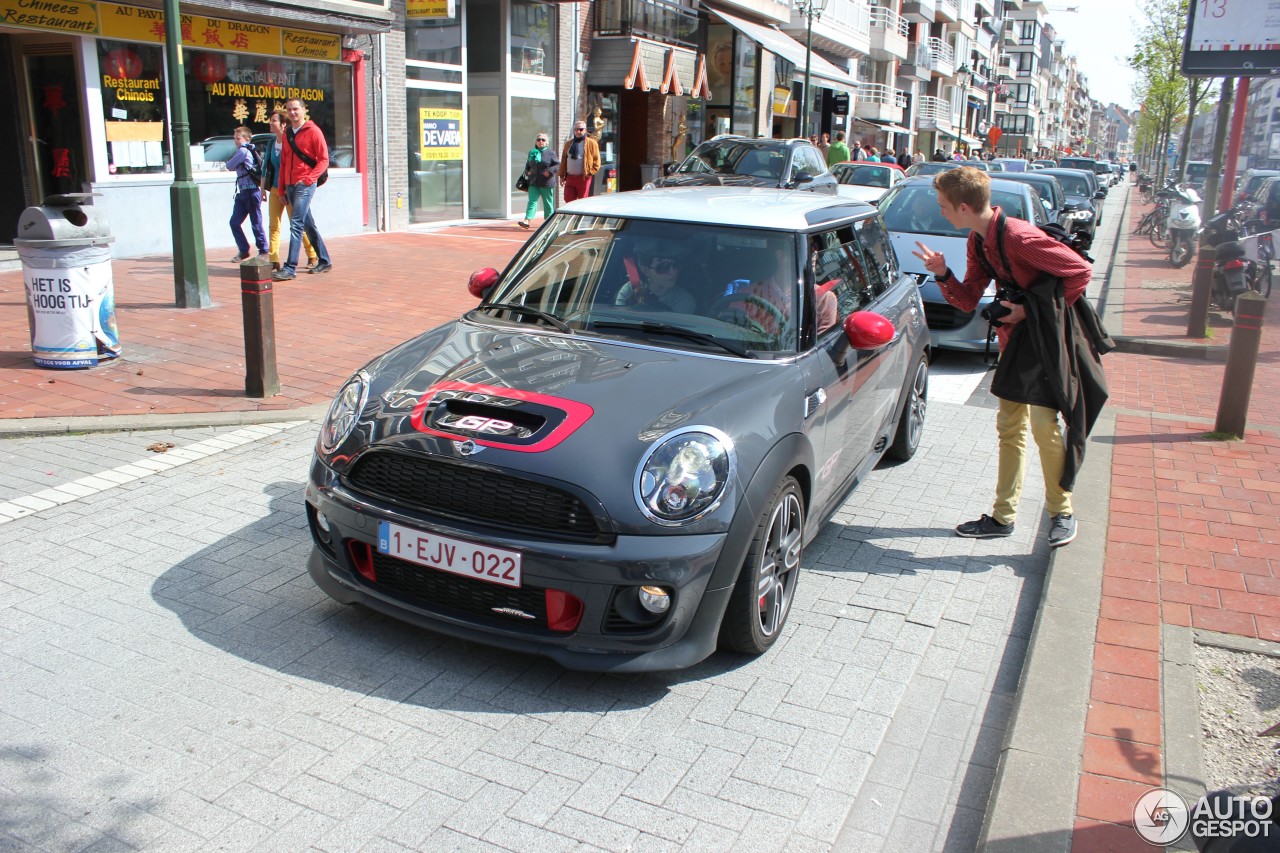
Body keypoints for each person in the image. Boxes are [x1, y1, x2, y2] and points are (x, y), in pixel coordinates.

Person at [911, 166, 1097, 548]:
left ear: (964, 207)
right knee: (1010, 428)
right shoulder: (978, 241)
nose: (941, 212)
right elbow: (966, 300)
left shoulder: (1019, 237)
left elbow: (1080, 272)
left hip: (1044, 341)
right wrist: (944, 274)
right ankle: (1002, 516)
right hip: (1014, 345)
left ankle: (1061, 513)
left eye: (944, 206)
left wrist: (1026, 310)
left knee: (1046, 428)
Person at [273, 98, 331, 281]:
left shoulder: (313, 132)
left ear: (304, 110)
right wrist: (281, 190)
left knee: (296, 224)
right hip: (290, 184)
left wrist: (309, 179)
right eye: (289, 110)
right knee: (307, 223)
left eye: (296, 109)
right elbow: (283, 164)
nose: (292, 113)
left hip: (304, 184)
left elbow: (324, 160)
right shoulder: (287, 133)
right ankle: (324, 260)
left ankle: (290, 267)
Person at [260, 110, 317, 272]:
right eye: (270, 121)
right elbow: (266, 167)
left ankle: (312, 254)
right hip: (275, 189)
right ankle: (273, 259)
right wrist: (263, 189)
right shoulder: (272, 143)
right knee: (274, 225)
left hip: (291, 189)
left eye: (273, 121)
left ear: (283, 124)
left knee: (297, 224)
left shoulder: (289, 141)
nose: (270, 124)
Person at [615, 239, 696, 313]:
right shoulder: (631, 289)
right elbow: (618, 319)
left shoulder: (683, 300)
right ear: (646, 271)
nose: (673, 271)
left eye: (675, 264)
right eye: (663, 267)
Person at [225, 127, 267, 263]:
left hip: (251, 191)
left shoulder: (243, 151)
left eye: (238, 138)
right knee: (234, 222)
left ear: (247, 139)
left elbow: (229, 165)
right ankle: (244, 250)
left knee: (256, 223)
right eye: (235, 138)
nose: (236, 141)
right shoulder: (243, 150)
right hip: (243, 192)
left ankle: (263, 250)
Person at [518, 132, 558, 228]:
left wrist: (549, 171)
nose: (540, 141)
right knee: (532, 201)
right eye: (538, 140)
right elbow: (527, 166)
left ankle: (548, 222)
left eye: (543, 140)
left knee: (548, 203)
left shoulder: (551, 153)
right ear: (536, 142)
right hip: (533, 182)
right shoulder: (532, 153)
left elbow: (558, 165)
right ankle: (527, 220)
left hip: (546, 182)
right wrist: (528, 172)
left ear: (547, 143)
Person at [559, 119, 600, 204]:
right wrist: (562, 176)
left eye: (581, 129)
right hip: (570, 177)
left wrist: (589, 173)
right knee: (568, 199)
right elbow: (564, 160)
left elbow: (597, 162)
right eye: (576, 129)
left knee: (582, 201)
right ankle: (572, 217)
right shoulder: (568, 143)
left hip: (583, 178)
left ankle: (581, 217)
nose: (578, 131)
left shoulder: (592, 143)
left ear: (585, 130)